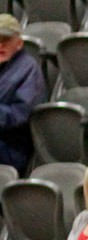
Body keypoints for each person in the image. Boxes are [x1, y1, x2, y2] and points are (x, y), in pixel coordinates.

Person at [0, 14, 45, 172]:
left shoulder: (28, 69)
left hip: (12, 146)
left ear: (19, 43)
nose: (0, 45)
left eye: (5, 40)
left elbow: (21, 115)